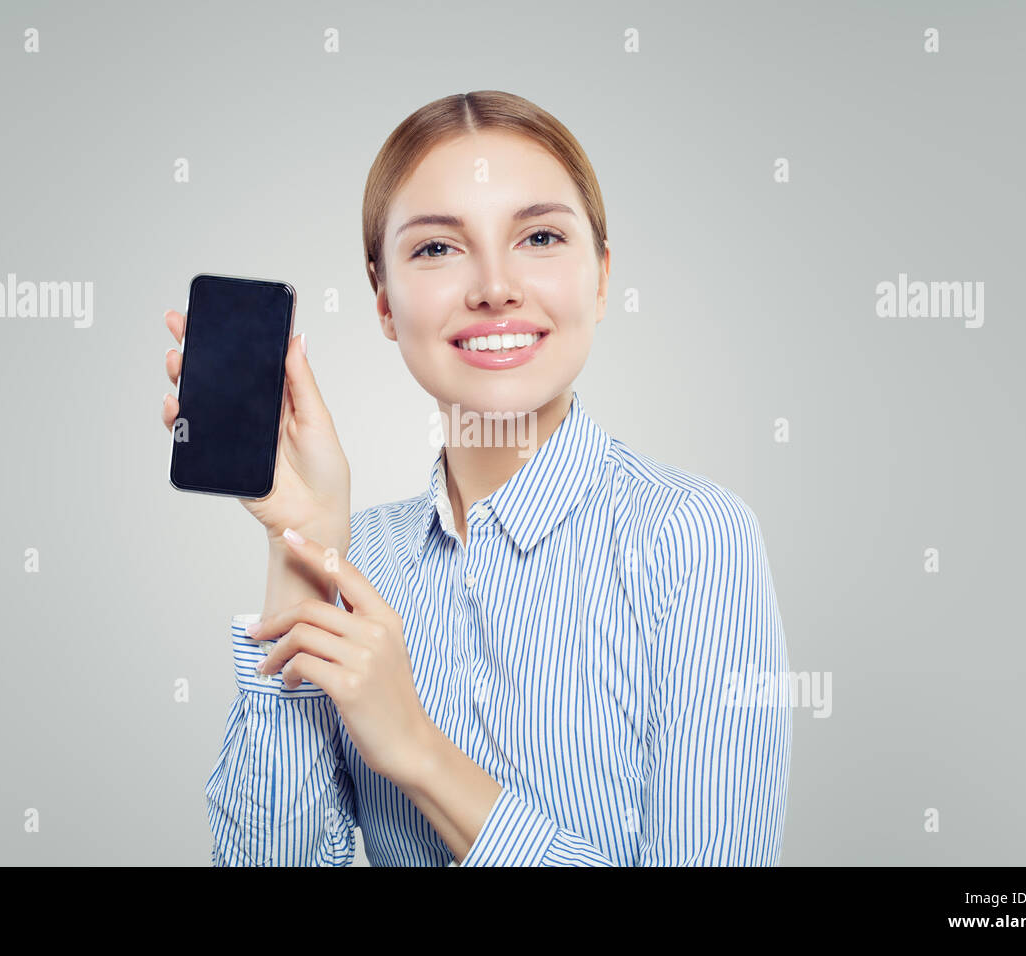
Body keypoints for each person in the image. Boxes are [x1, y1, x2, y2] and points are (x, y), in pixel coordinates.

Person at [160, 90, 791, 866]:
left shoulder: (692, 539)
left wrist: (416, 749)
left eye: (540, 236)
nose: (495, 286)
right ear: (384, 300)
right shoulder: (362, 563)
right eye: (436, 249)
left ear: (600, 276)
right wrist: (305, 542)